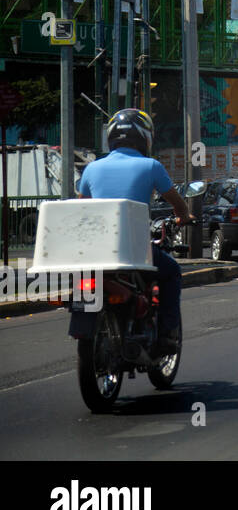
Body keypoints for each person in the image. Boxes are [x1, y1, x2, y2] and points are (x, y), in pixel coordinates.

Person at [77, 109, 193, 352]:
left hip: (94, 252)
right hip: (135, 251)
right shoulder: (151, 166)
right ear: (144, 137)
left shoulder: (91, 168)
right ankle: (166, 335)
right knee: (171, 271)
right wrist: (184, 217)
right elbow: (177, 202)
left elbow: (81, 207)